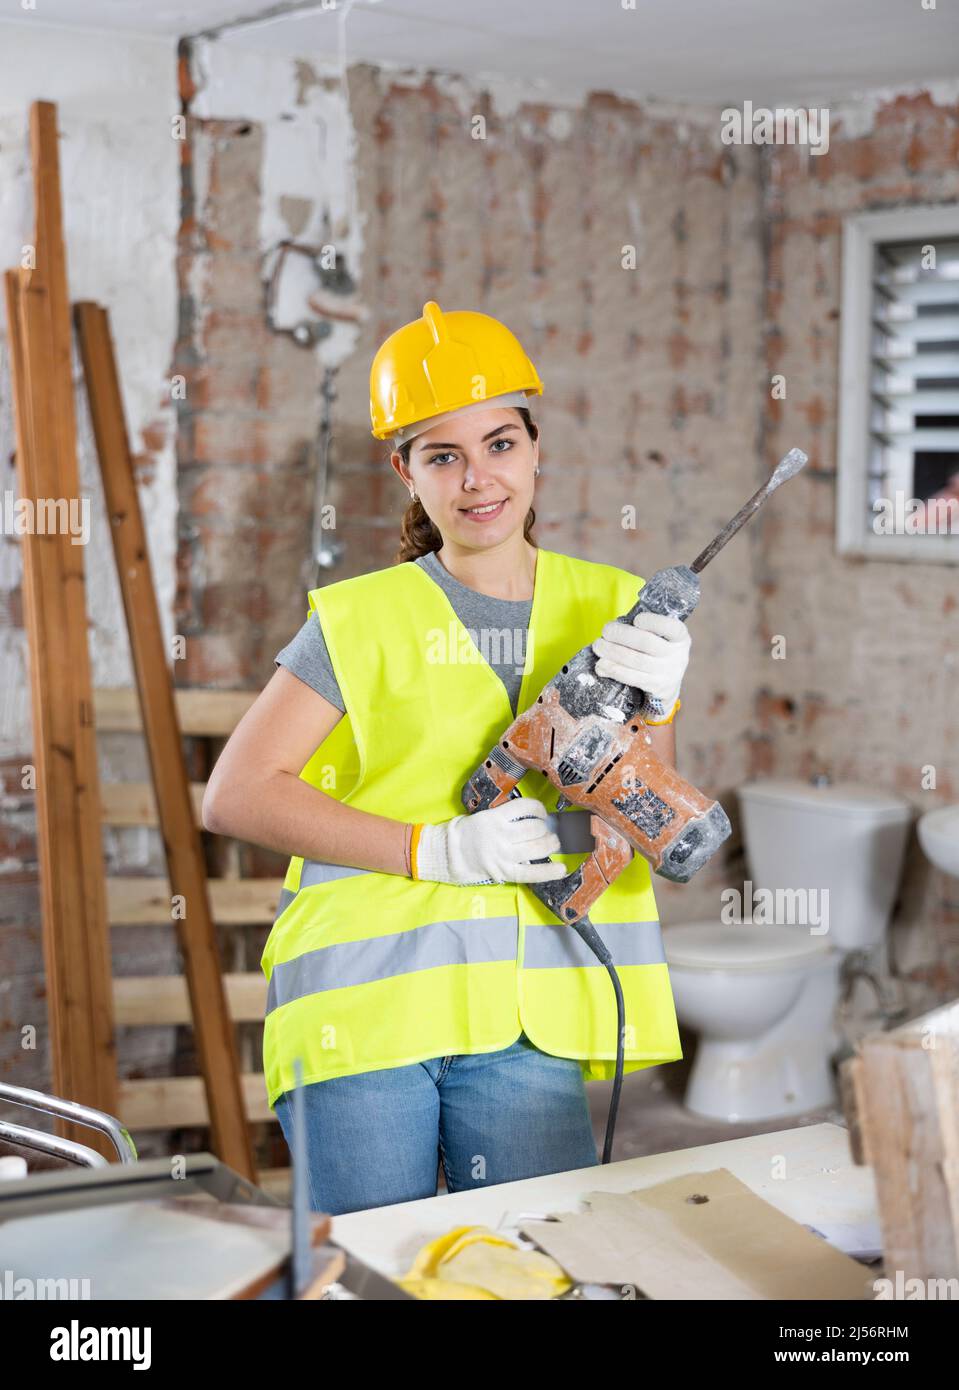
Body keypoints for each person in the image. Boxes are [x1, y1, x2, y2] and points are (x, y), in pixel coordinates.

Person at [202, 300, 692, 1215]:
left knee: (529, 1262)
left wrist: (655, 699)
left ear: (535, 449)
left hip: (528, 1009)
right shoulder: (361, 618)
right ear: (405, 472)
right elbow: (234, 796)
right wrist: (439, 851)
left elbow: (638, 811)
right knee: (368, 1270)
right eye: (442, 455)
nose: (478, 479)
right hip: (364, 1005)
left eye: (499, 444)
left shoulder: (617, 608)